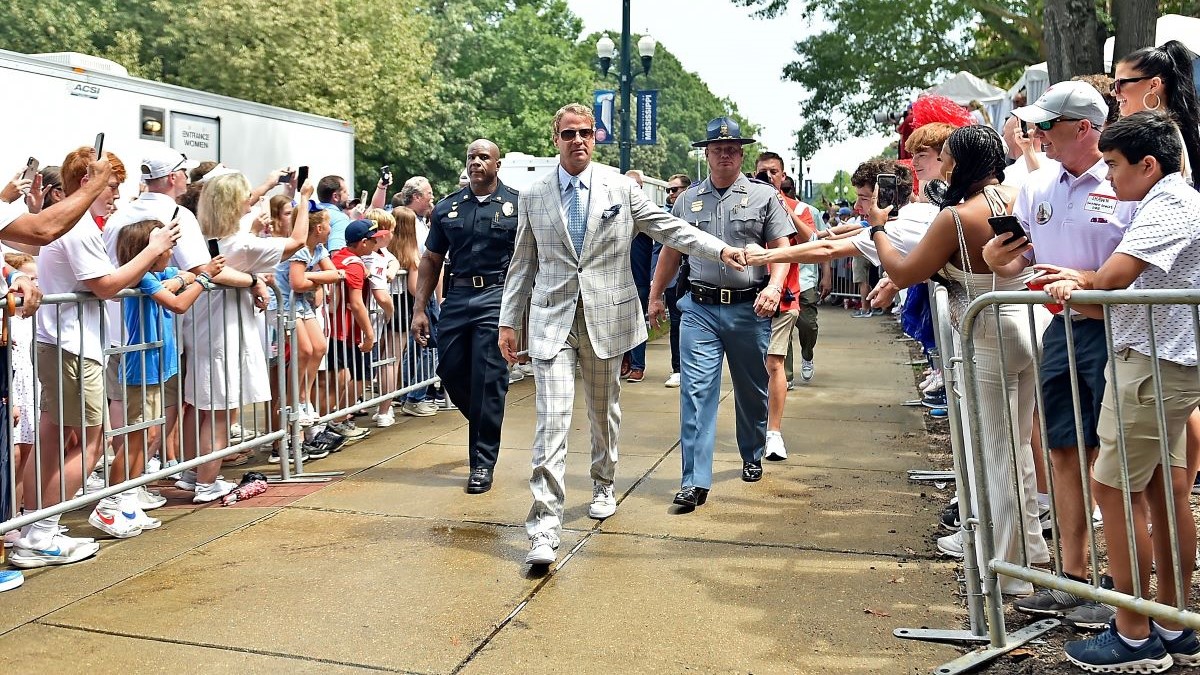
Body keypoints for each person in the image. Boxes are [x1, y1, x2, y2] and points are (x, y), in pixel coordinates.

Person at [498, 103, 746, 566]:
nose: (578, 141)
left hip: (606, 320)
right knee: (550, 423)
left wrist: (720, 248)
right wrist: (508, 320)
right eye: (569, 133)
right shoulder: (533, 194)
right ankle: (545, 528)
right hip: (552, 321)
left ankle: (603, 481)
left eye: (586, 133)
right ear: (556, 139)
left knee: (602, 412)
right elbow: (523, 263)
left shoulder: (619, 186)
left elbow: (669, 227)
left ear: (596, 137)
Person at [1040, 110, 1200, 672]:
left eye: (1112, 165)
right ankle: (1174, 623)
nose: (1107, 178)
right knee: (1160, 492)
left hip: (1150, 365)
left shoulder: (1168, 204)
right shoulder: (1169, 200)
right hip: (1159, 363)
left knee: (1114, 489)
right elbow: (1108, 278)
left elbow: (1111, 280)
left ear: (1148, 164)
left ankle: (1133, 634)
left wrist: (1072, 283)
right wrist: (1076, 279)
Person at [867, 125, 1050, 595]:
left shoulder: (956, 217)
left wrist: (879, 230)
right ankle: (1029, 555)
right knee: (1019, 450)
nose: (942, 165)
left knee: (993, 451)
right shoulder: (1018, 195)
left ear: (963, 161)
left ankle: (1008, 570)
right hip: (1028, 326)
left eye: (946, 157)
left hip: (987, 333)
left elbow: (905, 272)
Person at [983, 80, 1134, 619]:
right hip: (1063, 328)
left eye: (1048, 125)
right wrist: (999, 255)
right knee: (1065, 449)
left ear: (1085, 128)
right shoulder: (1039, 184)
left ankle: (1119, 585)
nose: (1037, 134)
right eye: (1037, 125)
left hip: (1120, 333)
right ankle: (1075, 577)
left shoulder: (1127, 181)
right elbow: (1017, 260)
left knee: (1113, 459)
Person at [14, 146, 180, 557]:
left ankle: (34, 525)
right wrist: (152, 248)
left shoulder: (74, 224)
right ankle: (41, 532)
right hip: (72, 347)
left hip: (64, 344)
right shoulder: (78, 227)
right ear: (87, 184)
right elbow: (106, 286)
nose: (116, 195)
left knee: (57, 437)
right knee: (89, 441)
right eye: (111, 185)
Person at [649, 118, 793, 507]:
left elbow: (781, 249)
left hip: (749, 308)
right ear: (707, 154)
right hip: (699, 308)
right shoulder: (686, 199)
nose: (725, 154)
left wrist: (776, 287)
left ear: (741, 154)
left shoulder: (764, 197)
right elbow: (671, 250)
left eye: (732, 149)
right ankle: (694, 481)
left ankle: (751, 450)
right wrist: (656, 293)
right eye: (717, 149)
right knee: (696, 393)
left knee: (751, 391)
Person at [179, 173, 310, 503]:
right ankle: (207, 483)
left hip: (204, 327)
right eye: (243, 196)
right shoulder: (239, 243)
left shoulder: (204, 236)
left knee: (201, 406)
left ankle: (194, 472)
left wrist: (252, 280)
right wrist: (304, 200)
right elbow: (296, 243)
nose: (248, 200)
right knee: (221, 410)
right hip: (225, 333)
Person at [98, 219, 222, 535]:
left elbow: (185, 276)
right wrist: (204, 279)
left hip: (158, 364)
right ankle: (112, 503)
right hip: (143, 367)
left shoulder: (157, 275)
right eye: (168, 247)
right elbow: (179, 305)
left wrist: (183, 278)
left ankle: (128, 499)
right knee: (139, 436)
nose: (173, 251)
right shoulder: (144, 280)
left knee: (150, 435)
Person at [411, 139, 518, 494]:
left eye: (483, 157)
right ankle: (488, 419)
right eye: (471, 157)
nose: (476, 162)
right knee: (451, 370)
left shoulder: (517, 205)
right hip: (458, 295)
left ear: (497, 165)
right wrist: (419, 309)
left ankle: (481, 464)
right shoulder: (447, 208)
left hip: (496, 295)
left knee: (488, 378)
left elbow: (530, 259)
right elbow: (431, 259)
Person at [653, 173, 691, 387]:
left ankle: (691, 367)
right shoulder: (663, 215)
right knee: (676, 324)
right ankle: (677, 368)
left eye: (674, 190)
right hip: (673, 280)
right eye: (668, 190)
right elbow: (658, 252)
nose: (670, 194)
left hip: (694, 278)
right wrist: (655, 282)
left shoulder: (696, 209)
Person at [622, 169, 652, 383]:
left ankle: (637, 365)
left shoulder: (646, 213)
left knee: (637, 323)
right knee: (616, 324)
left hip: (639, 278)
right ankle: (623, 361)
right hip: (615, 279)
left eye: (636, 187)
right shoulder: (612, 211)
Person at [316, 175, 352, 251]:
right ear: (335, 197)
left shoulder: (309, 211)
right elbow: (336, 252)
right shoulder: (340, 218)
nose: (348, 195)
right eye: (344, 191)